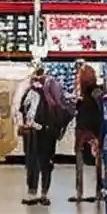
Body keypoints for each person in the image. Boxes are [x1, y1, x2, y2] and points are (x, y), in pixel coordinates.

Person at [14, 63, 71, 206]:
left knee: (35, 162)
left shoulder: (35, 90)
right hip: (45, 131)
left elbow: (22, 109)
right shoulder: (50, 89)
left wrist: (24, 124)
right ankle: (42, 193)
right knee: (43, 163)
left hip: (38, 132)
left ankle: (35, 192)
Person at [69, 63, 104, 204]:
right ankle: (96, 191)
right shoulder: (96, 92)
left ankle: (81, 192)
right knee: (96, 160)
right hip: (94, 128)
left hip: (85, 128)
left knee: (81, 159)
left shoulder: (89, 93)